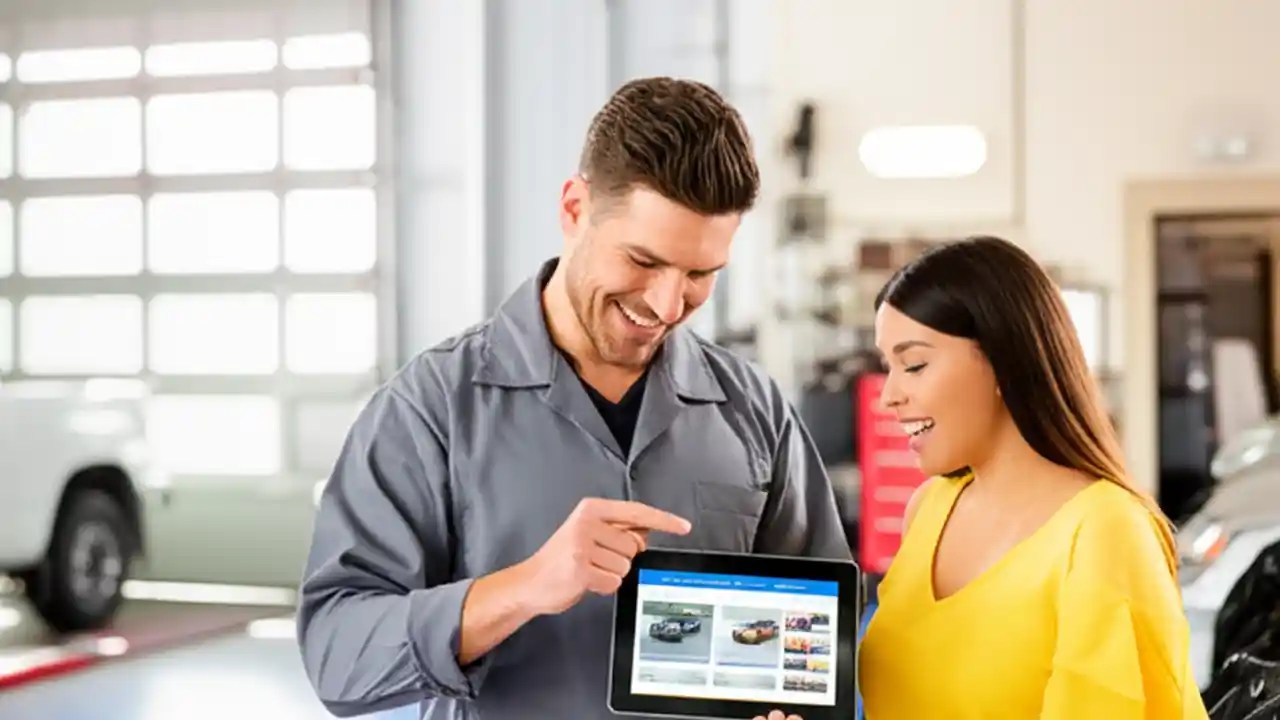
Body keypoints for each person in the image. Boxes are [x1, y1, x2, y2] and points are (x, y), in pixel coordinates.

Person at [296, 76, 852, 720]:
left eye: (700, 274)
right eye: (643, 260)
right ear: (574, 209)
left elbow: (818, 647)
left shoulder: (755, 410)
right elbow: (338, 654)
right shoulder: (430, 408)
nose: (668, 304)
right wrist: (524, 587)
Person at [756, 236, 1209, 720]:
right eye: (888, 367)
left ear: (1003, 361)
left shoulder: (1106, 531)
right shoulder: (929, 509)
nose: (889, 395)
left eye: (914, 365)